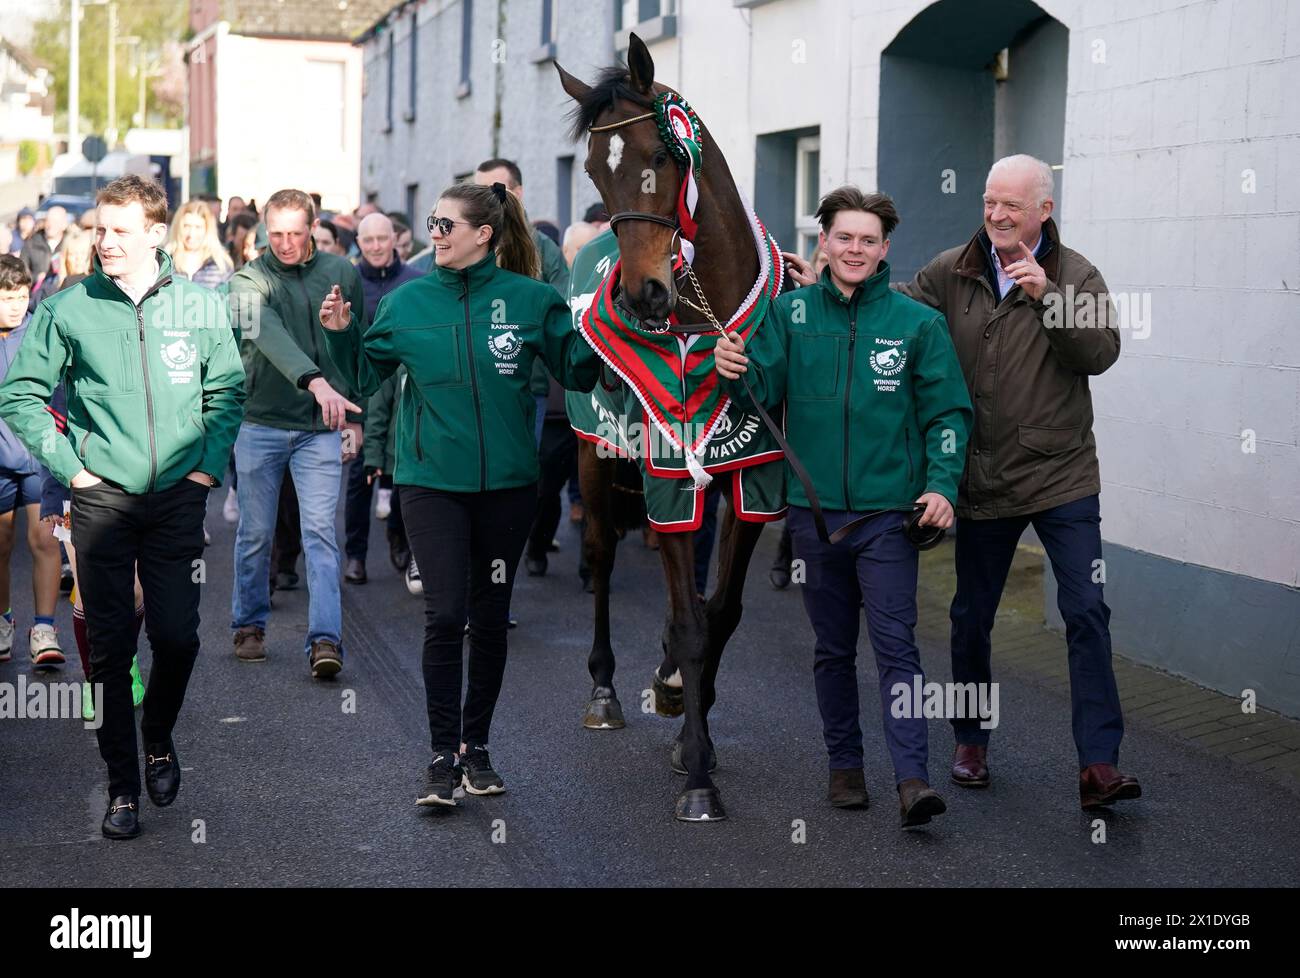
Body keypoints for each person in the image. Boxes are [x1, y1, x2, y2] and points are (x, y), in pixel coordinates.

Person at [318, 180, 598, 806]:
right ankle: (442, 756)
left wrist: (608, 324)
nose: (434, 235)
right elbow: (365, 377)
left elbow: (578, 370)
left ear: (483, 235)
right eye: (432, 223)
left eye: (445, 225)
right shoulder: (409, 301)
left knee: (490, 621)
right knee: (446, 616)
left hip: (507, 487)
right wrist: (340, 332)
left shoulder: (531, 300)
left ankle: (478, 749)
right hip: (429, 483)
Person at [715, 187, 972, 828]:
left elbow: (947, 414)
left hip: (889, 517)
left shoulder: (918, 324)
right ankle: (845, 768)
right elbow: (760, 396)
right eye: (843, 237)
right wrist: (731, 370)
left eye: (868, 240)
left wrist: (941, 485)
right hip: (814, 518)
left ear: (885, 249)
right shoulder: (790, 314)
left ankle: (913, 780)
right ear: (823, 242)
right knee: (832, 650)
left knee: (897, 649)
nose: (854, 249)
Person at [0, 174, 245, 839]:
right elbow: (20, 394)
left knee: (177, 637)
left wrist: (202, 471)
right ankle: (122, 786)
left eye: (119, 230)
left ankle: (158, 734)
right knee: (108, 650)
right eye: (99, 230)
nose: (104, 241)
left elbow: (226, 390)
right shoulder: (68, 307)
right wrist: (70, 468)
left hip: (175, 497)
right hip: (100, 498)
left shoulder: (197, 306)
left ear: (155, 235)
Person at [896, 154, 1138, 811]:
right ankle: (971, 739)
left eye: (1011, 205)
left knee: (1085, 611)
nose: (997, 215)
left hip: (1062, 474)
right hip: (982, 477)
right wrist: (837, 285)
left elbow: (1102, 352)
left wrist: (1047, 298)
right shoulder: (953, 270)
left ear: (1044, 212)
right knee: (971, 615)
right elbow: (898, 324)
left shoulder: (1076, 273)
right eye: (989, 201)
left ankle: (1098, 764)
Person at [227, 188, 364, 678]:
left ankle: (326, 640)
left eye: (295, 233)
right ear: (264, 229)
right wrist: (315, 380)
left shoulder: (341, 273)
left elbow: (355, 352)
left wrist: (355, 416)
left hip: (321, 427)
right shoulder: (245, 281)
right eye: (276, 233)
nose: (285, 244)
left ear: (313, 229)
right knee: (255, 532)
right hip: (260, 422)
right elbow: (265, 332)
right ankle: (248, 624)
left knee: (321, 534)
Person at [342, 212, 422, 585]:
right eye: (367, 240)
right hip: (359, 393)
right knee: (360, 475)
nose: (375, 246)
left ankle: (400, 536)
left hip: (404, 391)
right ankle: (355, 554)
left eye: (382, 238)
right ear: (358, 242)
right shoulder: (347, 282)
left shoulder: (416, 282)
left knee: (406, 470)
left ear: (395, 240)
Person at [0, 256, 64, 667]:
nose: (15, 305)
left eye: (21, 296)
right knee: (0, 545)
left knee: (43, 541)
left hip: (40, 458)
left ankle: (44, 629)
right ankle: (3, 619)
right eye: (6, 297)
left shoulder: (41, 330)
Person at [166, 199, 234, 290]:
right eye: (186, 226)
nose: (191, 234)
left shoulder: (220, 265)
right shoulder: (166, 262)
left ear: (207, 229)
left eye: (198, 227)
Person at [30, 225, 93, 306]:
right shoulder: (49, 289)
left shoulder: (94, 285)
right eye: (73, 254)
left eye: (83, 253)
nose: (78, 259)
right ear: (65, 258)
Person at [21, 204, 69, 302]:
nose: (50, 225)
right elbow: (21, 274)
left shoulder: (70, 244)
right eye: (48, 220)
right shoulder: (31, 243)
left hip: (63, 298)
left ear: (64, 225)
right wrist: (37, 277)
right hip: (36, 299)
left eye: (55, 221)